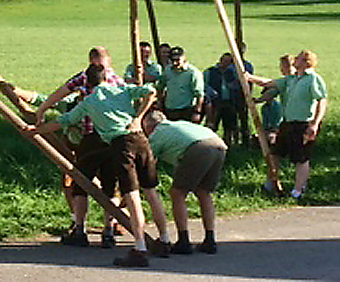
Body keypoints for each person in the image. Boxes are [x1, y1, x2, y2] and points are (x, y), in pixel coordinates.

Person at [31, 62, 171, 269]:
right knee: (151, 191)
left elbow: (64, 121)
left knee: (132, 197)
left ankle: (140, 249)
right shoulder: (121, 89)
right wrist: (138, 118)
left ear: (87, 82)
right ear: (106, 78)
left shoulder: (89, 102)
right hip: (141, 139)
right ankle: (165, 240)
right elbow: (151, 91)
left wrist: (35, 130)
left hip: (122, 146)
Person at [35, 46, 123, 247]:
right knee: (102, 186)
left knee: (86, 184)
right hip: (109, 138)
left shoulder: (88, 78)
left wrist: (42, 110)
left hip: (93, 138)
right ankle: (103, 231)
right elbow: (62, 92)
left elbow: (61, 93)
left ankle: (87, 230)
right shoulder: (117, 81)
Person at [142, 109, 227, 254]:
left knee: (178, 193)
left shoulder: (158, 133)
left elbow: (148, 161)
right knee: (204, 192)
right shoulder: (179, 124)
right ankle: (210, 239)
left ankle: (183, 240)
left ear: (149, 127)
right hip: (218, 145)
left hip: (198, 148)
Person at [248, 50, 327, 201]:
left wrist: (314, 124)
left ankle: (298, 191)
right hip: (287, 123)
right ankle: (270, 184)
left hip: (304, 123)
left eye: (298, 58)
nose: (295, 60)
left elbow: (321, 101)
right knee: (276, 153)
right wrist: (249, 78)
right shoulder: (291, 79)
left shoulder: (313, 79)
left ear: (306, 62)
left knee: (301, 158)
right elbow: (268, 83)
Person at [160, 46, 205, 123]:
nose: (175, 63)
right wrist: (160, 104)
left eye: (177, 60)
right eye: (172, 60)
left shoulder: (193, 72)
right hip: (170, 110)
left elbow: (199, 94)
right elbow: (160, 87)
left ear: (183, 58)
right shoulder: (167, 70)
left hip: (186, 110)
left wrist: (197, 112)